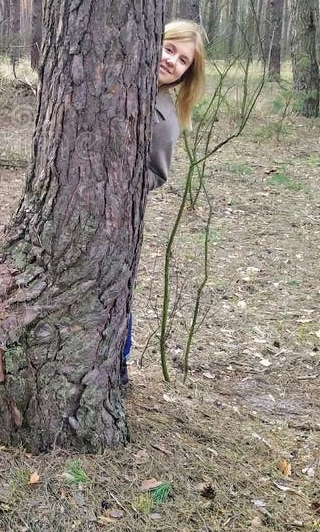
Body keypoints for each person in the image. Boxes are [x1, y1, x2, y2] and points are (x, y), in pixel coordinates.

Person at [121, 19, 207, 385]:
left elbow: (156, 174)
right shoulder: (117, 77)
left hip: (118, 217)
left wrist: (114, 179)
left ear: (186, 75)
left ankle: (118, 363)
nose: (173, 61)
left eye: (183, 60)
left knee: (117, 287)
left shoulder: (165, 117)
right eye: (169, 48)